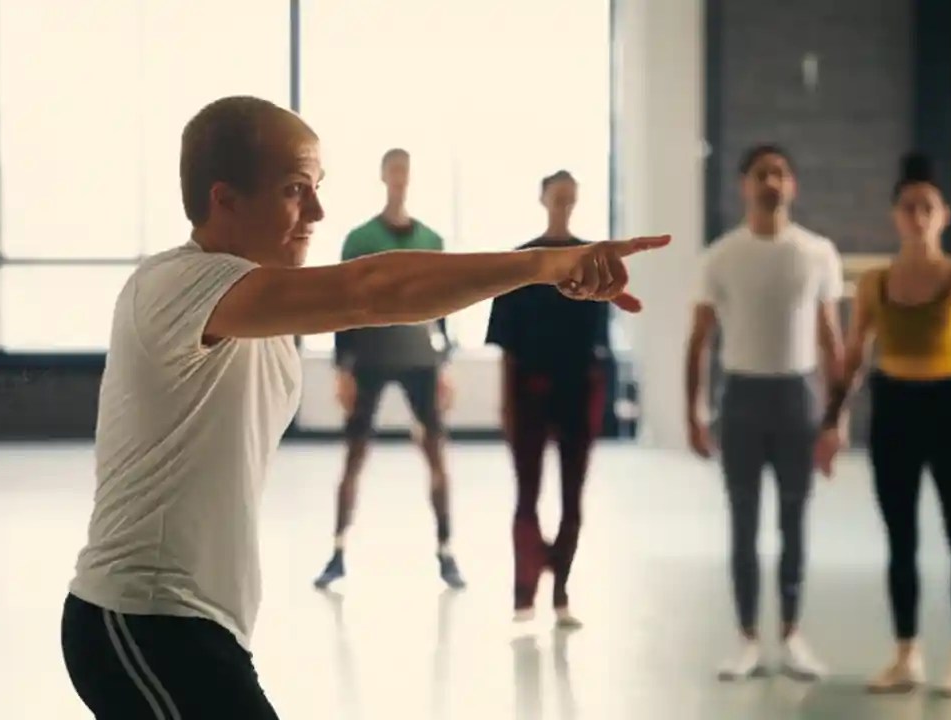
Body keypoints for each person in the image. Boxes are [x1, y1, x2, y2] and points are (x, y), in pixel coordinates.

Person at [59, 95, 669, 719]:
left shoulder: (255, 305)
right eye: (297, 189)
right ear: (226, 199)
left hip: (197, 625)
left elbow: (378, 294)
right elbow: (370, 292)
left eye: (318, 188)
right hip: (142, 620)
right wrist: (543, 262)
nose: (318, 212)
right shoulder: (177, 285)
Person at [814, 152, 951, 696]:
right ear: (896, 216)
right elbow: (854, 357)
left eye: (928, 206)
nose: (919, 215)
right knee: (900, 538)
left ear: (944, 215)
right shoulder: (875, 284)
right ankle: (906, 653)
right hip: (894, 410)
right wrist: (832, 422)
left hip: (948, 410)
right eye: (909, 207)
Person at [685, 143, 844, 682]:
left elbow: (830, 340)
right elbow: (699, 341)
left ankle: (793, 634)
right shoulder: (721, 255)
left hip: (797, 397)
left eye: (779, 172)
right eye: (761, 173)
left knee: (795, 520)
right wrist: (694, 413)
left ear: (792, 185)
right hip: (743, 398)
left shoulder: (817, 252)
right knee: (744, 521)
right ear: (744, 185)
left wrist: (835, 418)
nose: (771, 181)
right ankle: (747, 637)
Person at [313, 148, 464, 591]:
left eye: (404, 171)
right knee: (355, 456)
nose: (398, 178)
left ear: (409, 177)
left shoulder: (431, 240)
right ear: (383, 176)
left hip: (419, 358)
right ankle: (337, 550)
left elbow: (444, 310)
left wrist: (445, 366)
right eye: (392, 170)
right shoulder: (359, 240)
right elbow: (341, 305)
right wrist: (342, 368)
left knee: (436, 453)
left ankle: (446, 550)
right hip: (371, 356)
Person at [485, 171, 609, 628]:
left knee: (573, 497)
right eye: (556, 197)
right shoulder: (522, 262)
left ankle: (561, 592)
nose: (563, 204)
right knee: (527, 494)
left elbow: (600, 337)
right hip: (529, 389)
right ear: (542, 198)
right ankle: (524, 594)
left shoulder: (589, 259)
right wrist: (504, 403)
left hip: (578, 388)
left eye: (569, 198)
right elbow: (506, 345)